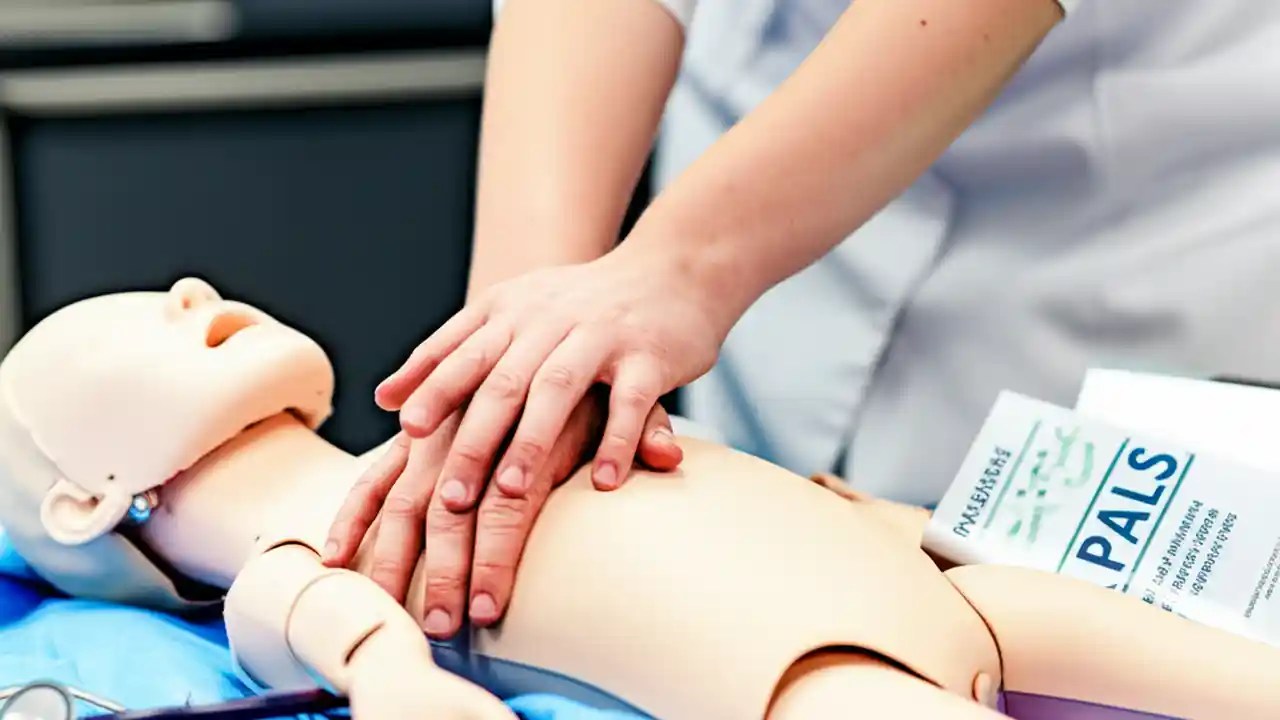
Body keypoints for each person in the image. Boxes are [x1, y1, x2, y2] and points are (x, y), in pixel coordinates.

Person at [331, 0, 1280, 631]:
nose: (197, 300)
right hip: (758, 330)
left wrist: (683, 265)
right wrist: (513, 362)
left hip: (1121, 225)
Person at [7, 279, 1280, 720]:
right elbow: (348, 638)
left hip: (933, 583)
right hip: (802, 676)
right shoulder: (312, 546)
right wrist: (397, 681)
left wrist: (858, 515)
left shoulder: (470, 424)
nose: (186, 291)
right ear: (81, 503)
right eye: (123, 323)